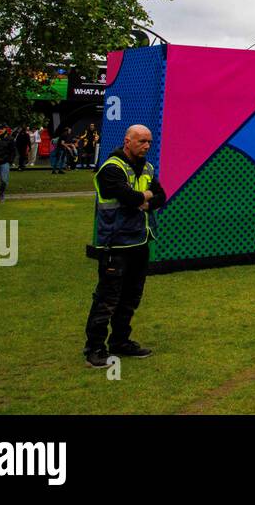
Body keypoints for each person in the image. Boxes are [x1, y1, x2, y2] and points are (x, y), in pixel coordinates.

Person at [83, 124, 165, 368]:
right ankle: (95, 348)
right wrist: (145, 196)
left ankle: (120, 340)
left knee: (131, 296)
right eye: (141, 141)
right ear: (127, 141)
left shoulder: (147, 167)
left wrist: (146, 199)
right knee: (108, 297)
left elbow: (162, 196)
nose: (146, 146)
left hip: (140, 240)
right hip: (116, 242)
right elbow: (129, 199)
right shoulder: (112, 168)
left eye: (149, 141)